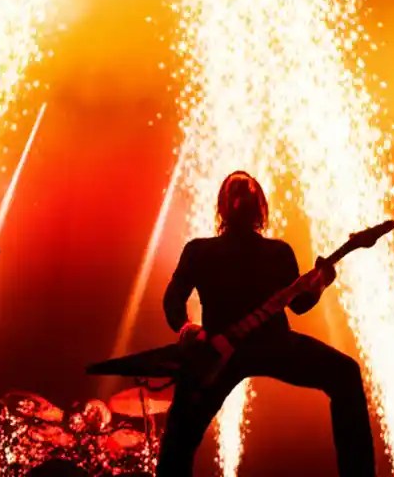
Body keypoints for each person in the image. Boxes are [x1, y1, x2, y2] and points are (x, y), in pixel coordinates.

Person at [156, 171, 374, 477]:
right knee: (346, 374)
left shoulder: (206, 250)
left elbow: (173, 301)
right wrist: (186, 328)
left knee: (179, 439)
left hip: (226, 349)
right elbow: (299, 305)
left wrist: (188, 329)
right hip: (264, 346)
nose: (244, 192)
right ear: (262, 209)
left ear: (222, 207)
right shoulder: (270, 251)